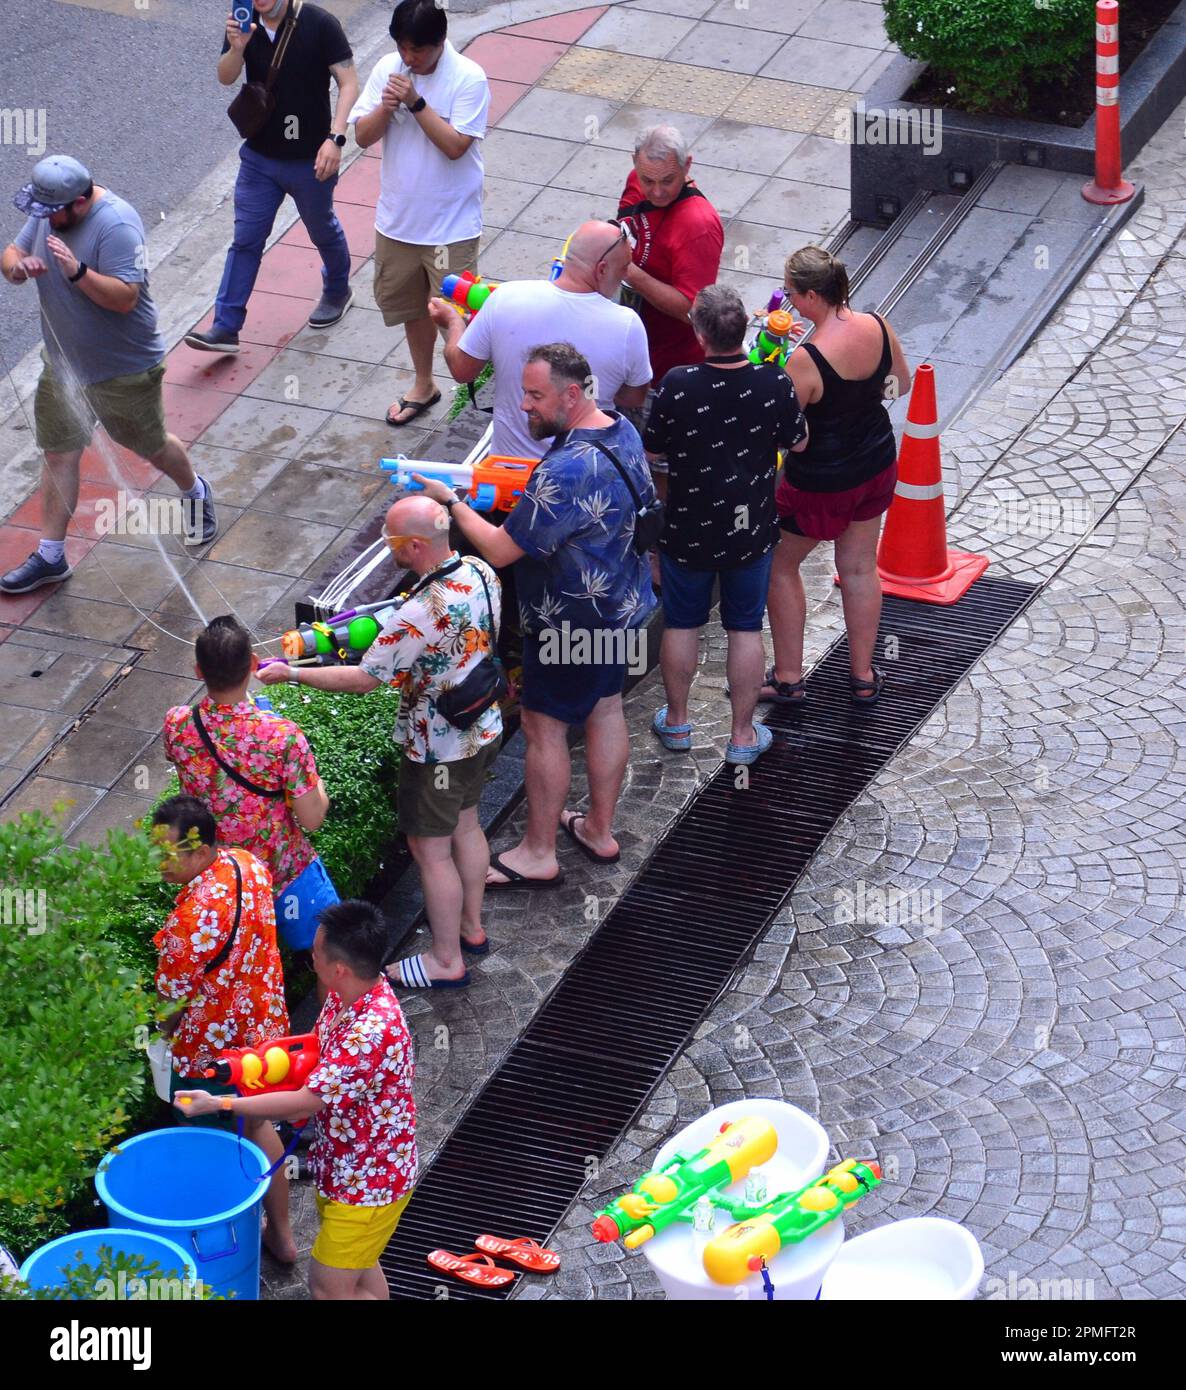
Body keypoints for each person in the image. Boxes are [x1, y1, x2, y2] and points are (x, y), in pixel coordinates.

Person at [415, 343, 657, 887]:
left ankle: (538, 852)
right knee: (606, 708)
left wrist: (450, 501)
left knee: (546, 729)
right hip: (623, 608)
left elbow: (500, 551)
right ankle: (599, 829)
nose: (525, 406)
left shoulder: (566, 469)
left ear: (572, 395)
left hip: (570, 625)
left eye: (536, 395)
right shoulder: (620, 428)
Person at [260, 496, 502, 986]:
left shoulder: (420, 613)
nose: (387, 549)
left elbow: (365, 679)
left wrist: (293, 676)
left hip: (438, 748)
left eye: (391, 542)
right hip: (484, 725)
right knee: (468, 827)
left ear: (415, 545)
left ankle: (446, 960)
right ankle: (472, 928)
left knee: (430, 851)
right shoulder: (479, 570)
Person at [177, 900, 417, 1301]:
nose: (311, 959)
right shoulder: (350, 995)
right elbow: (314, 1060)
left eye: (314, 955)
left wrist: (219, 1104)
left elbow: (304, 1102)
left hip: (369, 1182)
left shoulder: (369, 1032)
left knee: (327, 1288)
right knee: (358, 1273)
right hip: (347, 1167)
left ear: (338, 968)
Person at [1, 156, 216, 593]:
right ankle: (51, 555)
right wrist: (16, 269)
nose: (44, 220)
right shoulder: (49, 214)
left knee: (150, 446)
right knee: (59, 453)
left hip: (123, 370)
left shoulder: (117, 224)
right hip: (63, 364)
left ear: (79, 203)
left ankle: (194, 491)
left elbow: (125, 298)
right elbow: (12, 251)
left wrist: (77, 272)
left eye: (52, 213)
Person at [645, 285, 809, 765]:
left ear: (699, 333)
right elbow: (798, 442)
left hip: (688, 527)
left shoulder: (678, 383)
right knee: (744, 628)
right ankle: (741, 736)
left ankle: (677, 722)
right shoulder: (772, 382)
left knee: (681, 623)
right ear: (744, 331)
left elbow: (652, 450)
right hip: (750, 529)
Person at [151, 795, 296, 1263]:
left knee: (208, 1145)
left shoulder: (192, 918)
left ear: (199, 848)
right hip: (263, 1034)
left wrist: (159, 1036)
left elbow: (170, 1003)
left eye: (169, 853)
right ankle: (284, 1237)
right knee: (256, 1123)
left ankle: (225, 1253)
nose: (159, 863)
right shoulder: (247, 863)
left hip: (208, 1053)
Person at [765, 246, 912, 707]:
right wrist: (860, 401)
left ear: (811, 296)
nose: (788, 302)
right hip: (875, 463)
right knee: (859, 567)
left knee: (779, 566)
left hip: (821, 485)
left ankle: (789, 677)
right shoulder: (878, 324)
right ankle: (863, 675)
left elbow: (789, 433)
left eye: (791, 294)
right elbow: (900, 384)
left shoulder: (806, 360)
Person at [185, 0, 358, 353]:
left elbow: (349, 82)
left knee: (321, 228)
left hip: (310, 159)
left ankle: (338, 288)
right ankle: (226, 325)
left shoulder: (319, 23)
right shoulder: (245, 23)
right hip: (260, 159)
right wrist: (237, 48)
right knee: (246, 239)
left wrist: (335, 138)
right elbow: (225, 76)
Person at [163, 614, 338, 959]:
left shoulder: (177, 723)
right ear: (254, 664)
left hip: (220, 880)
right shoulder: (282, 736)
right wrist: (318, 789)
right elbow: (313, 818)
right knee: (331, 953)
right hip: (282, 872)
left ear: (198, 670)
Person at [350, 0, 490, 427]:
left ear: (440, 43)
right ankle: (424, 383)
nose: (408, 58)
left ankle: (475, 384)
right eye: (402, 48)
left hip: (451, 225)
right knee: (412, 308)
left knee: (455, 312)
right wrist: (386, 107)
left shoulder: (468, 78)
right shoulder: (387, 69)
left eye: (417, 50)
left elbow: (455, 146)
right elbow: (362, 136)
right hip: (398, 220)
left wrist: (414, 102)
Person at [428, 220, 651, 461]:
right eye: (624, 268)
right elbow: (634, 398)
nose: (625, 276)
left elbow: (462, 370)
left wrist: (454, 323)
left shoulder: (507, 296)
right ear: (602, 269)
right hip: (580, 471)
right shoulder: (627, 325)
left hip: (506, 469)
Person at [616, 125, 724, 385]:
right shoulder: (636, 179)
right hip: (630, 347)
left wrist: (628, 270)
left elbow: (691, 309)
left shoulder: (699, 225)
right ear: (635, 163)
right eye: (648, 181)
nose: (656, 192)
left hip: (667, 370)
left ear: (687, 166)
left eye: (667, 180)